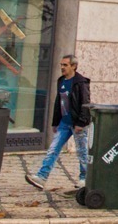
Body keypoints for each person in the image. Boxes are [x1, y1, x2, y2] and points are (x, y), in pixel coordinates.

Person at [26, 55, 91, 190]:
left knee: (82, 152)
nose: (62, 67)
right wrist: (55, 122)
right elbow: (58, 102)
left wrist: (81, 122)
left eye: (65, 65)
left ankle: (84, 179)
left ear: (73, 66)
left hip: (77, 123)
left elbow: (85, 103)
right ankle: (41, 177)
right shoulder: (61, 81)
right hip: (64, 123)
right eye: (61, 64)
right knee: (53, 149)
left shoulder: (81, 83)